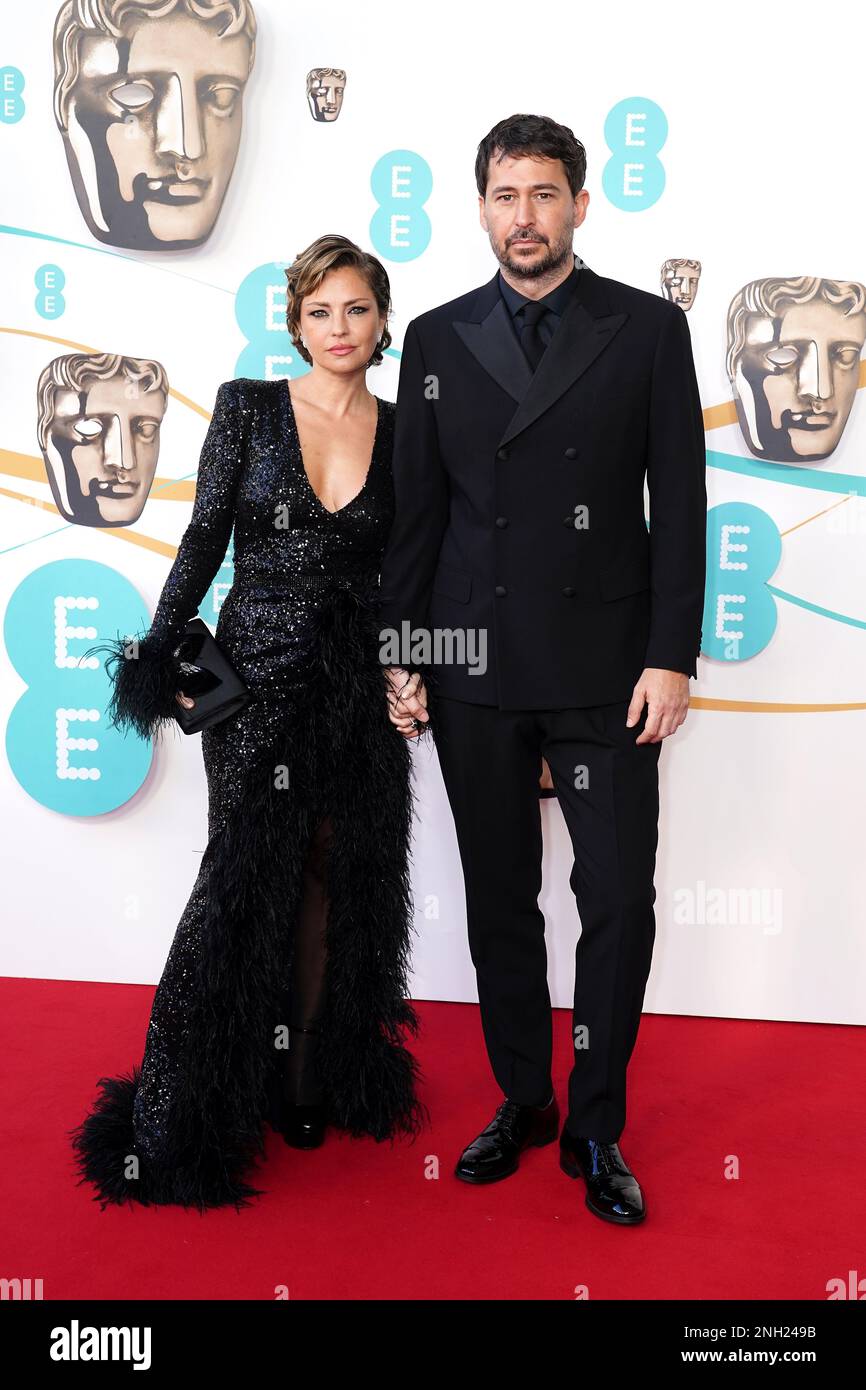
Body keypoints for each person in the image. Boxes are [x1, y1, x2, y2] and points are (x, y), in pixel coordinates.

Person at [378, 113, 707, 1225]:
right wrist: (407, 653)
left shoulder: (647, 328)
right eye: (504, 195)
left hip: (607, 664)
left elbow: (680, 508)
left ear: (579, 203)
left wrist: (670, 655)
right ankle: (521, 1096)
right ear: (478, 207)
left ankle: (595, 1123)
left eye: (544, 194)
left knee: (615, 897)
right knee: (498, 900)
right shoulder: (432, 336)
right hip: (469, 656)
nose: (524, 216)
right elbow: (416, 517)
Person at [70, 234, 428, 1211]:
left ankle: (304, 1078)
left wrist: (412, 670)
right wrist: (158, 651)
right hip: (257, 679)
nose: (339, 329)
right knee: (241, 872)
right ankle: (186, 1099)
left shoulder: (403, 431)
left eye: (355, 309)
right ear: (295, 321)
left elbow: (407, 571)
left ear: (380, 317)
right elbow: (202, 535)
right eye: (320, 311)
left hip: (352, 686)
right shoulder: (249, 407)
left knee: (330, 875)